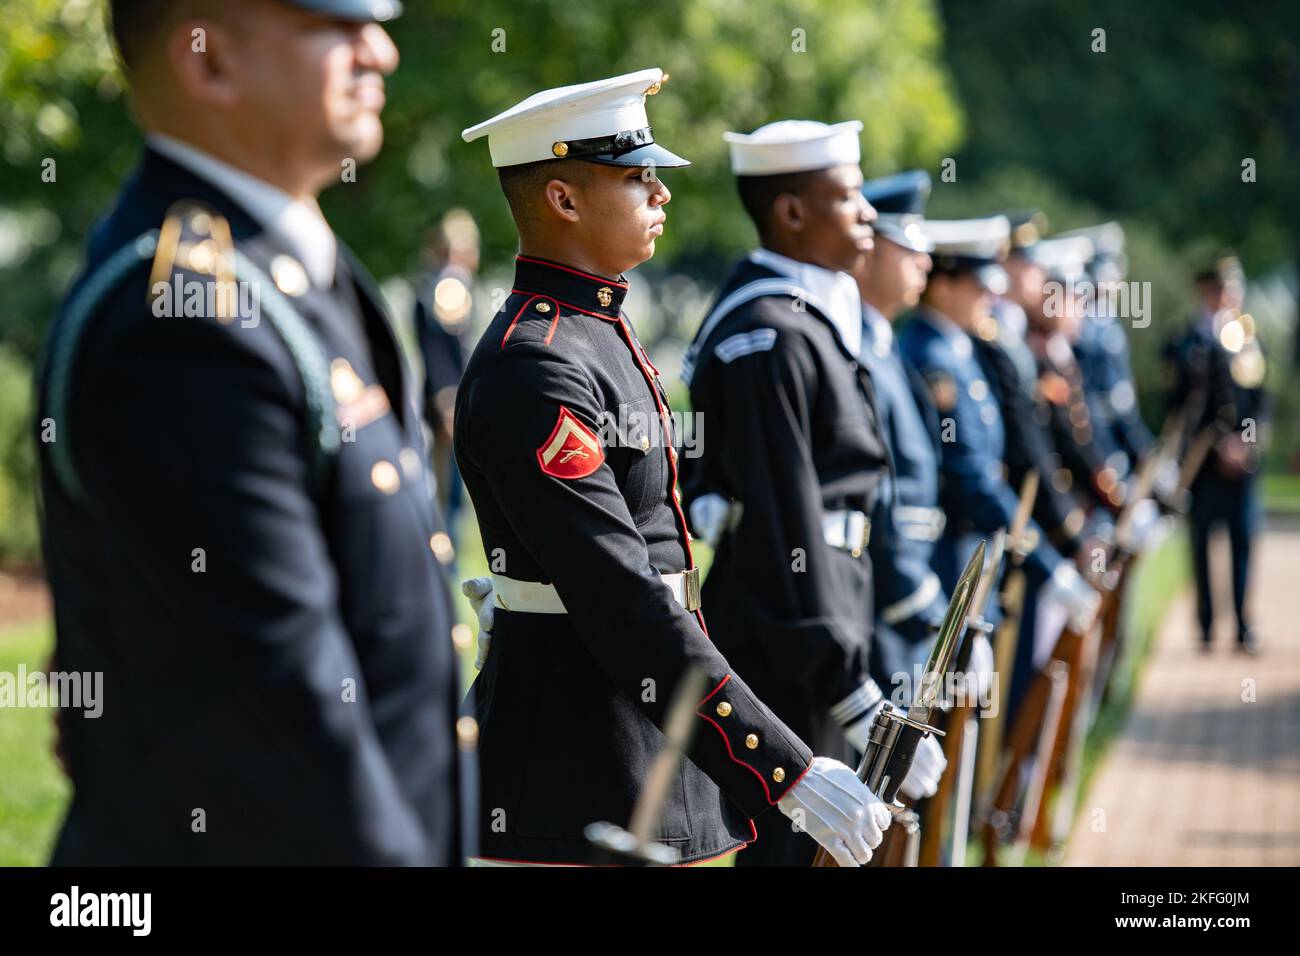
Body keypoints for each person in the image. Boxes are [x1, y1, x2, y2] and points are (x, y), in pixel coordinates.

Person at [35, 0, 468, 864]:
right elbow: (291, 737)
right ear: (210, 63)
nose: (379, 50)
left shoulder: (287, 266)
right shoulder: (185, 321)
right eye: (334, 26)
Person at [455, 72, 893, 867]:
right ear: (563, 199)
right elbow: (621, 595)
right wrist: (782, 767)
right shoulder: (539, 364)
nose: (662, 193)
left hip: (638, 742)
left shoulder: (593, 333)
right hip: (574, 770)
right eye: (637, 177)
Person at [678, 122, 945, 867]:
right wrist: (849, 690)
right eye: (849, 196)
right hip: (788, 635)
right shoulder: (771, 333)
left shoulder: (805, 319)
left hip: (823, 616)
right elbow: (783, 520)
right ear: (792, 213)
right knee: (793, 851)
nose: (867, 214)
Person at [897, 217, 1099, 676]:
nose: (989, 296)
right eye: (977, 284)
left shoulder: (958, 349)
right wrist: (1048, 567)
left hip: (975, 552)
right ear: (943, 285)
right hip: (950, 558)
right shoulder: (934, 359)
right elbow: (973, 479)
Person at [853, 170, 952, 692]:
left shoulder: (883, 344)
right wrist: (915, 599)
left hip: (909, 577)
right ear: (868, 252)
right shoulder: (857, 347)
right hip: (883, 593)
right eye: (907, 247)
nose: (925, 263)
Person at [1168, 256, 1267, 653]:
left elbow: (1259, 402)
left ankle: (1243, 624)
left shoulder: (1249, 339)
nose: (1227, 296)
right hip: (1204, 464)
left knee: (1243, 543)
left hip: (1241, 466)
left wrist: (1245, 443)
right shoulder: (1186, 341)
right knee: (1201, 545)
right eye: (1219, 289)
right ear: (1205, 293)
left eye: (1232, 289)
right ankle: (1206, 624)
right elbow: (1180, 404)